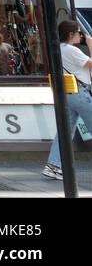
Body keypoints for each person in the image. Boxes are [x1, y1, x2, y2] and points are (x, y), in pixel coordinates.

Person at [43, 20, 92, 181]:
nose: (81, 36)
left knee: (65, 132)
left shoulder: (59, 49)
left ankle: (54, 165)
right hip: (80, 94)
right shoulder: (72, 50)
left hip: (68, 93)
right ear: (71, 34)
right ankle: (54, 165)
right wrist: (91, 44)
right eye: (78, 33)